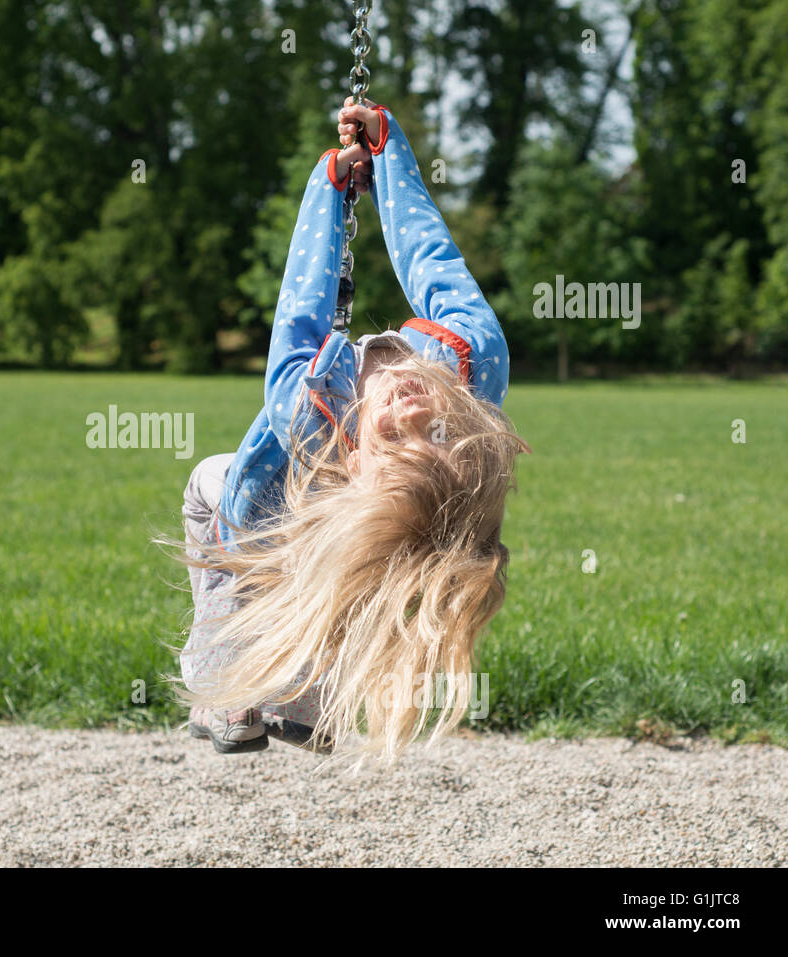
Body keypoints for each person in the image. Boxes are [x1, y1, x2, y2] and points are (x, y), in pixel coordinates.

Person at [177, 99, 530, 766]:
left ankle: (223, 681)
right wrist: (387, 152)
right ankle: (289, 695)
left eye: (397, 437)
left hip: (268, 512)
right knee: (337, 564)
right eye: (441, 431)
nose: (415, 406)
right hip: (316, 509)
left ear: (354, 458)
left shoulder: (305, 405)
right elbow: (431, 256)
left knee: (215, 495)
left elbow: (301, 303)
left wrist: (329, 185)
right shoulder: (473, 359)